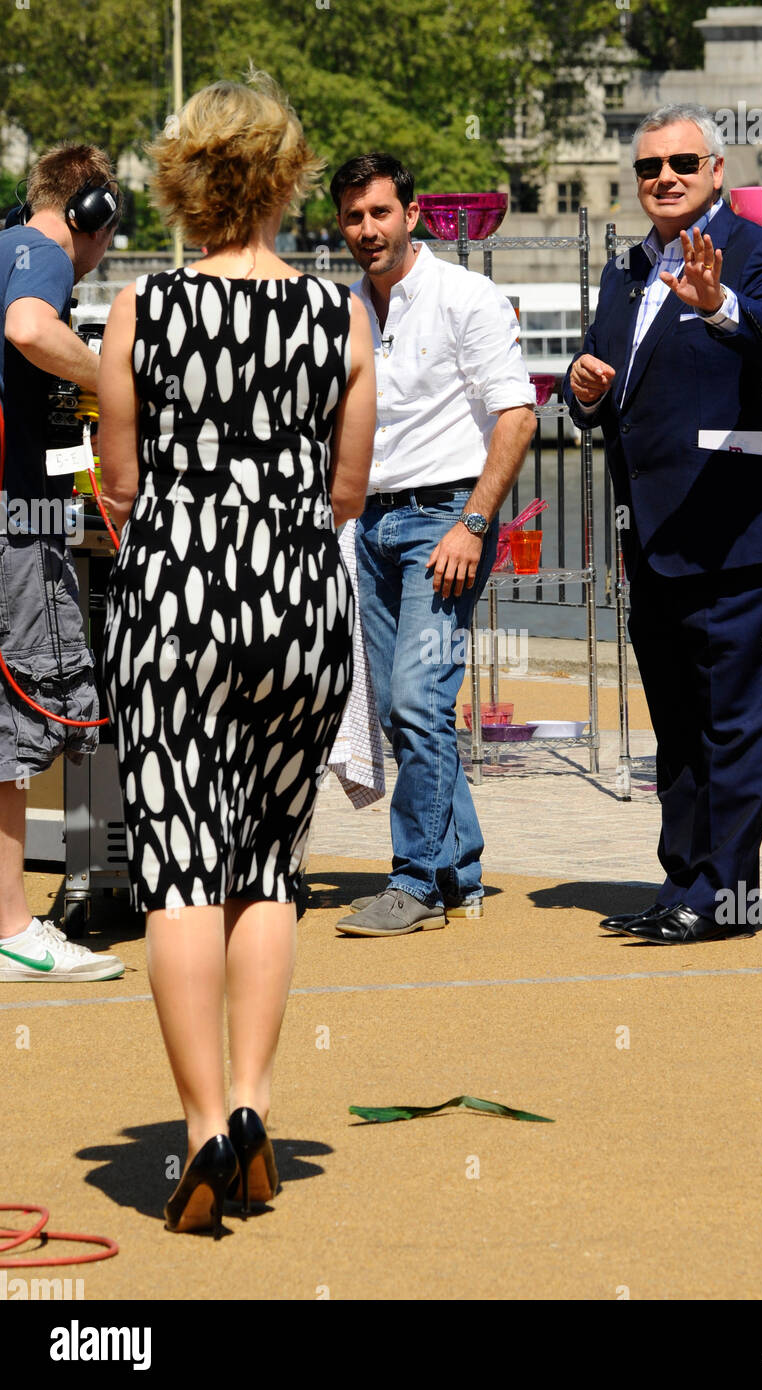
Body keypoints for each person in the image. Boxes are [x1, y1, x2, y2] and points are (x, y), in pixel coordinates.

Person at [97, 73, 374, 1234]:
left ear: (185, 179)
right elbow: (348, 486)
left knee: (177, 863)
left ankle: (205, 1123)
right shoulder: (336, 315)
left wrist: (173, 525)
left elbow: (117, 481)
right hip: (300, 594)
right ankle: (259, 1105)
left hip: (175, 593)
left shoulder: (138, 311)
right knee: (270, 856)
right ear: (287, 178)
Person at [565, 102, 762, 946]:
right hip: (656, 540)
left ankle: (724, 895)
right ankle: (683, 879)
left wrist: (719, 307)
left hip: (745, 537)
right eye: (648, 167)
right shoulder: (624, 272)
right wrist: (582, 389)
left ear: (717, 172)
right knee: (676, 724)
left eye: (681, 162)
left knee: (736, 721)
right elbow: (613, 396)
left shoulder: (759, 253)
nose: (664, 177)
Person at [329, 153, 536, 937]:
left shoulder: (465, 297)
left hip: (446, 520)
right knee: (399, 711)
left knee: (418, 701)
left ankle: (413, 881)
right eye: (353, 217)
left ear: (411, 214)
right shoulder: (343, 308)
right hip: (367, 526)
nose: (367, 229)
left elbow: (516, 416)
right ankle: (459, 866)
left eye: (380, 212)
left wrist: (474, 524)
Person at [0, 144, 124, 983]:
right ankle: (13, 928)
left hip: (24, 507)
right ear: (91, 211)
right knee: (18, 723)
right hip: (16, 526)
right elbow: (29, 329)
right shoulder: (41, 252)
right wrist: (118, 381)